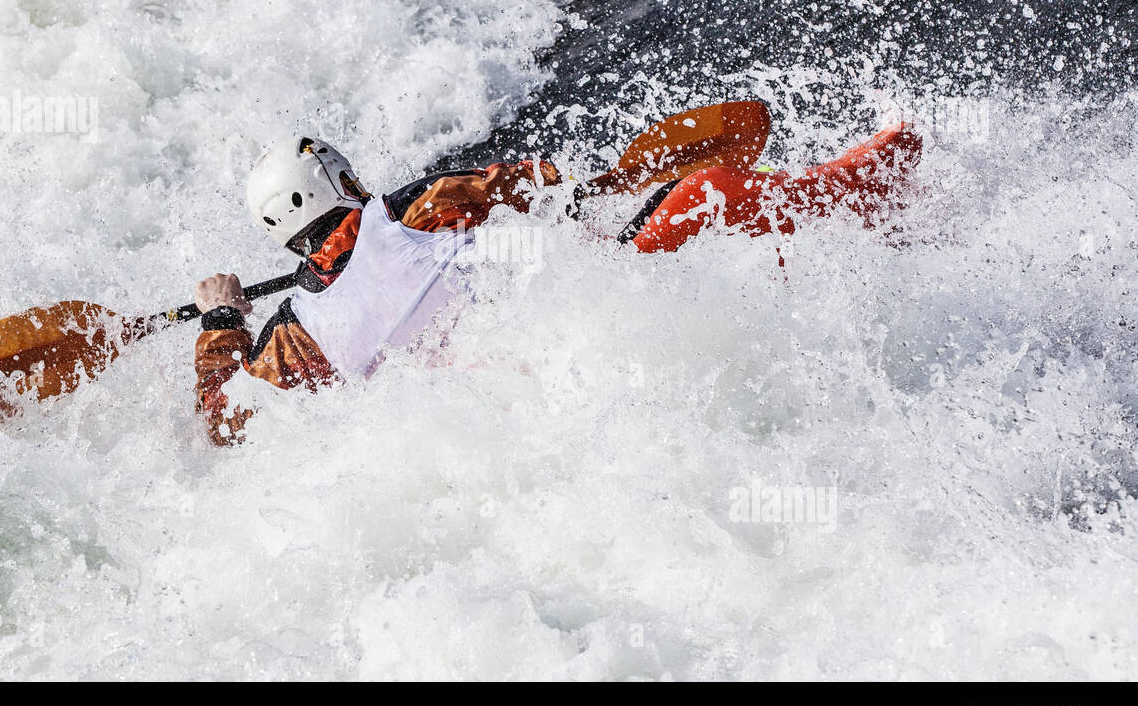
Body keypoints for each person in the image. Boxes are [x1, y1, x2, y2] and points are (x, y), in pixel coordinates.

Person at [193, 122, 921, 444]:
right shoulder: (413, 207)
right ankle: (853, 194)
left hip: (507, 408)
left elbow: (226, 423)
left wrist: (222, 322)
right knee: (709, 191)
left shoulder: (289, 340)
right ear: (336, 181)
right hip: (593, 321)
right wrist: (585, 192)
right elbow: (538, 186)